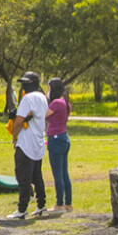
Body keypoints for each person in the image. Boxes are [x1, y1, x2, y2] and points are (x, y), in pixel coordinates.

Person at [7, 72, 48, 219]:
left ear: (30, 84)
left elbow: (19, 121)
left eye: (25, 83)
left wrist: (14, 136)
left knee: (22, 176)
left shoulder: (27, 98)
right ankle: (41, 205)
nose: (23, 85)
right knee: (37, 176)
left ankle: (22, 209)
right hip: (38, 141)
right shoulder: (42, 97)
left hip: (25, 143)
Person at [45, 77, 73, 212]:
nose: (47, 91)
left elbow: (44, 115)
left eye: (49, 88)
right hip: (64, 138)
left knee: (57, 174)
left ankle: (59, 204)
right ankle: (68, 203)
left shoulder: (55, 103)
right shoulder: (65, 102)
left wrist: (45, 100)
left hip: (55, 139)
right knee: (64, 173)